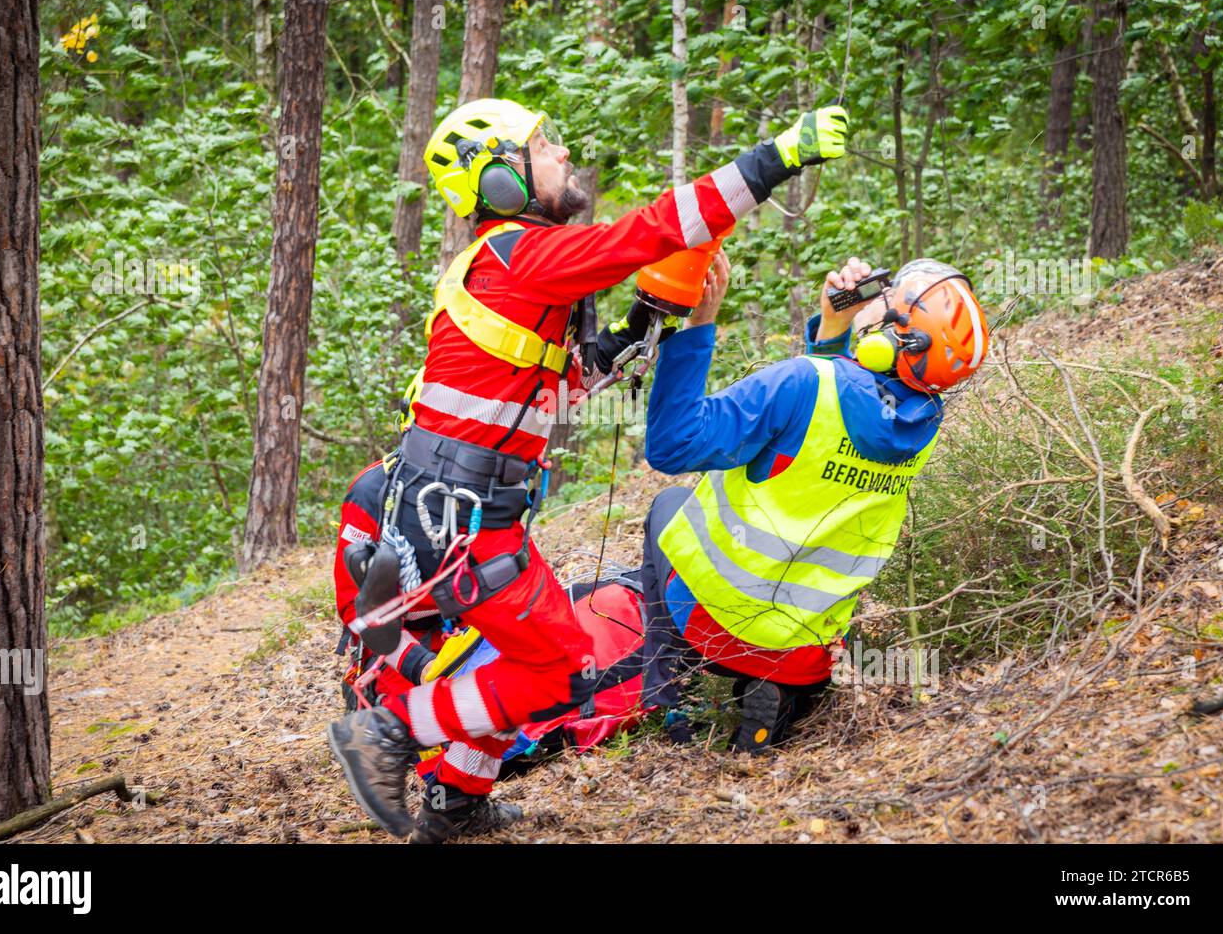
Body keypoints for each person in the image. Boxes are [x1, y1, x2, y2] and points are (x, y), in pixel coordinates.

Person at [327, 95, 851, 841]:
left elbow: (557, 383)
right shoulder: (519, 255)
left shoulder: (513, 272)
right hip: (461, 519)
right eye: (545, 147)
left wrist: (635, 333)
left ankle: (454, 803)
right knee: (558, 669)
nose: (564, 156)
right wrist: (775, 159)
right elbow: (652, 231)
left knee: (535, 657)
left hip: (464, 509)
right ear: (502, 178)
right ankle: (391, 728)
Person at [637, 255, 989, 752]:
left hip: (713, 626)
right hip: (806, 651)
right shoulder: (924, 420)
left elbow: (671, 447)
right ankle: (778, 692)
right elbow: (839, 406)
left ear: (891, 340)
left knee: (667, 505)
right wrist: (833, 326)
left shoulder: (801, 382)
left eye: (884, 299)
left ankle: (675, 702)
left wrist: (700, 323)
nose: (871, 295)